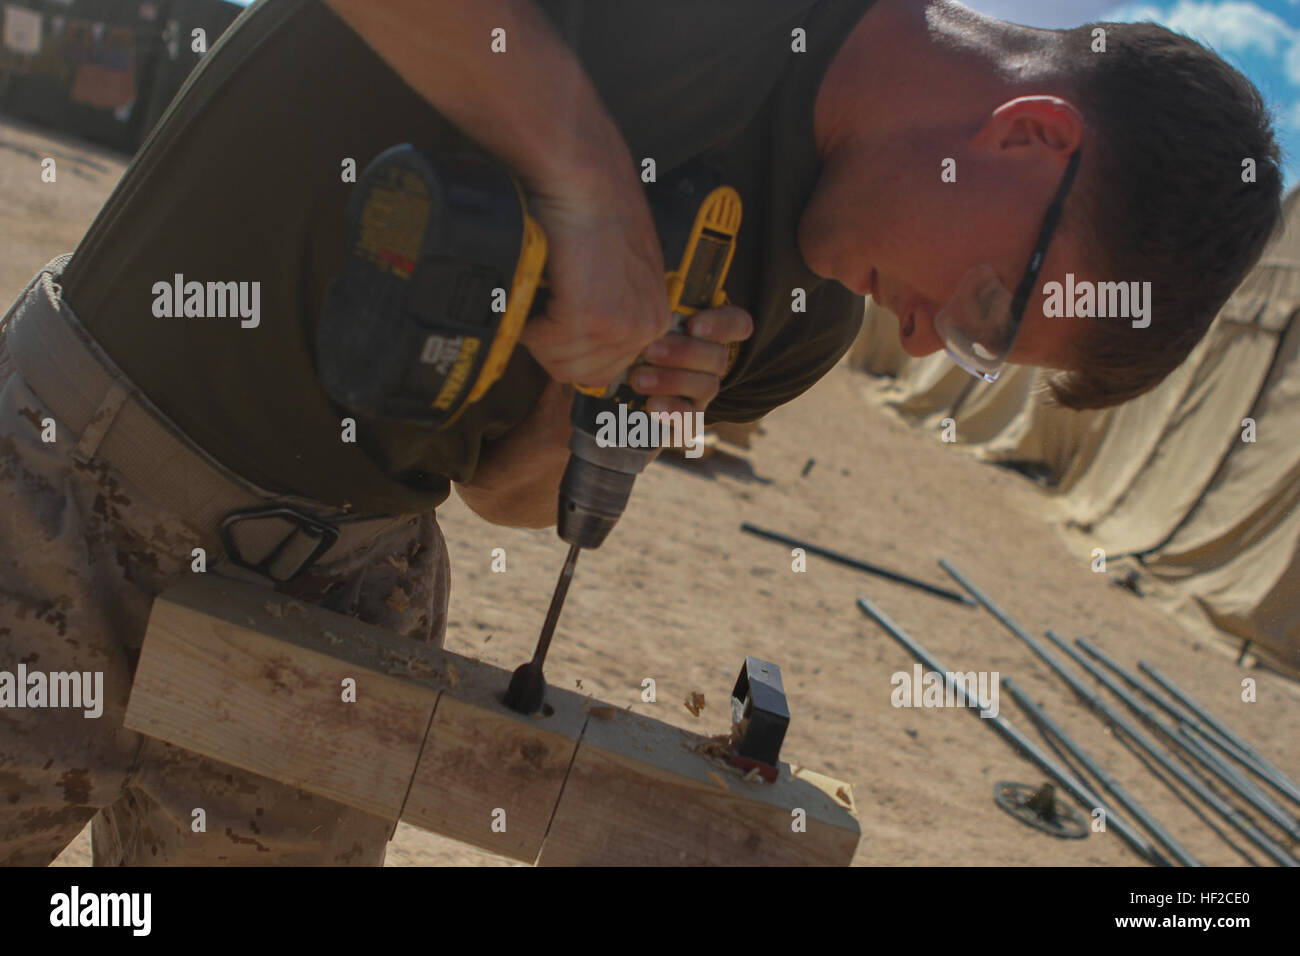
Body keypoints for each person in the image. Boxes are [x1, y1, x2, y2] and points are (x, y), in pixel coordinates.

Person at [0, 0, 1282, 865]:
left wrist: (596, 400)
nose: (942, 342)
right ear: (1028, 136)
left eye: (988, 349)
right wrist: (590, 183)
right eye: (1000, 306)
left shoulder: (801, 320)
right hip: (72, 470)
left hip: (349, 582)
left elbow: (505, 499)